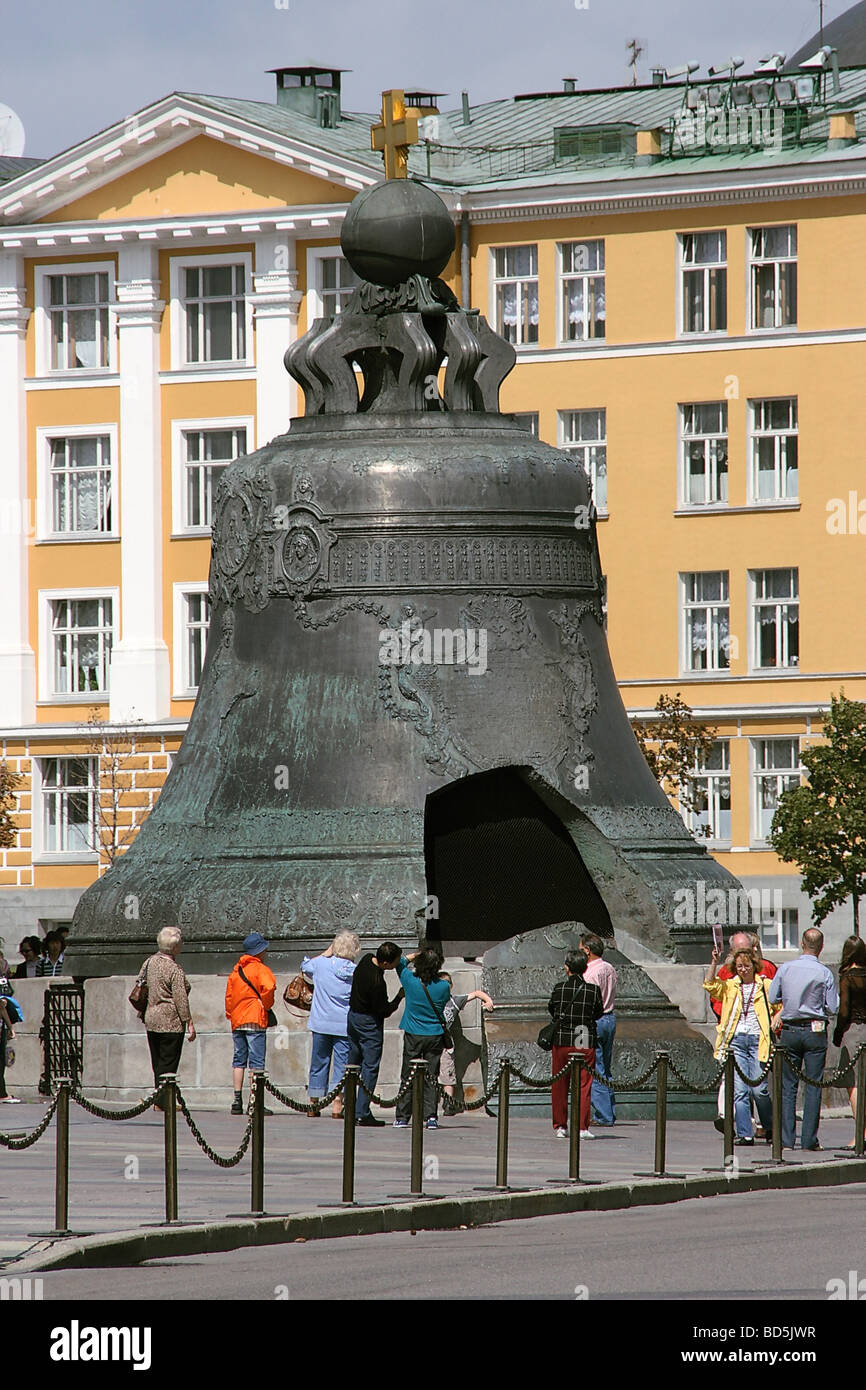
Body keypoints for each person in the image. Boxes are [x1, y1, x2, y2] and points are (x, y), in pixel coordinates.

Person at [769, 927, 839, 1152]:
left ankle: (787, 1140)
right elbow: (832, 1006)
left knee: (788, 1086)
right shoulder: (824, 973)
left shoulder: (786, 968)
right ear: (822, 946)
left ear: (801, 943)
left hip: (789, 1030)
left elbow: (773, 997)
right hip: (815, 1030)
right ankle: (809, 1139)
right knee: (813, 1085)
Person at [704, 944, 779, 1145]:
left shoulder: (766, 985)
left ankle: (770, 1126)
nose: (743, 969)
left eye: (746, 966)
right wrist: (714, 961)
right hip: (736, 1041)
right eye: (739, 966)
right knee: (740, 1091)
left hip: (758, 1041)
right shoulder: (731, 986)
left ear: (753, 966)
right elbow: (710, 985)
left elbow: (782, 1004)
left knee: (759, 1090)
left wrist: (777, 1016)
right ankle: (745, 1133)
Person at [301, 932, 359, 1119]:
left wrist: (325, 953)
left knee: (318, 1062)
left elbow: (305, 967)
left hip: (320, 1023)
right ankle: (337, 1104)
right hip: (343, 1024)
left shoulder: (320, 965)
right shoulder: (353, 970)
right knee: (341, 1065)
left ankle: (313, 1103)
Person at [393, 945, 451, 1130]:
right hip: (434, 1033)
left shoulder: (410, 980)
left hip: (413, 1032)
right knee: (431, 1076)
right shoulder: (443, 986)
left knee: (407, 1075)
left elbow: (400, 962)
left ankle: (402, 1117)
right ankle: (431, 1116)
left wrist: (415, 955)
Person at [346, 941, 404, 1128]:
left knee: (352, 1064)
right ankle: (362, 1112)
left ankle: (350, 1106)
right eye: (396, 962)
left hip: (353, 1018)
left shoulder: (365, 960)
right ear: (386, 964)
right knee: (369, 1068)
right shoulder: (377, 984)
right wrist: (399, 997)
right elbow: (384, 1010)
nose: (397, 965)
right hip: (369, 1024)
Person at [547, 949, 603, 1139]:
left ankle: (560, 1125)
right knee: (584, 1085)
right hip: (584, 1037)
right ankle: (582, 1127)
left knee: (560, 1084)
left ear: (567, 967)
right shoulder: (593, 990)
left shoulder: (559, 988)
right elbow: (598, 1013)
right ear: (585, 968)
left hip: (562, 1039)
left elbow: (552, 1009)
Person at [138, 927, 195, 1110]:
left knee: (157, 1061)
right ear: (175, 947)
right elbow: (180, 998)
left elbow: (140, 982)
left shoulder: (149, 962)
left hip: (151, 1018)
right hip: (170, 1021)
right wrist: (189, 1022)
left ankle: (159, 1098)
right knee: (169, 1063)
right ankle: (164, 1101)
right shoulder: (174, 969)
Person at [225, 932, 276, 1116]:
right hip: (255, 1018)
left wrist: (231, 1015)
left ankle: (236, 1101)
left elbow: (229, 997)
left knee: (238, 1060)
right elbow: (269, 987)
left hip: (238, 1020)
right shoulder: (262, 970)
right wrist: (267, 1004)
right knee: (256, 1063)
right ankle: (255, 1102)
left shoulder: (236, 971)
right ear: (260, 951)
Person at [437, 973, 494, 1116]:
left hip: (445, 1043)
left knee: (448, 1074)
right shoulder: (433, 998)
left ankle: (449, 1102)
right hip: (430, 1040)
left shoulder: (455, 1001)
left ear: (450, 986)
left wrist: (488, 1001)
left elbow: (476, 993)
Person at [579, 932, 618, 1126]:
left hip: (595, 1020)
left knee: (594, 1069)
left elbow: (589, 1001)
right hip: (610, 1018)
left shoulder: (590, 973)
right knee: (606, 1068)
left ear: (587, 950)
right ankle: (609, 1110)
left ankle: (604, 1115)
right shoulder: (609, 968)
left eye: (581, 950)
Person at [832, 934, 866, 1149]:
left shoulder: (847, 977)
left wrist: (837, 1033)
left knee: (853, 1084)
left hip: (854, 1029)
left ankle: (861, 1132)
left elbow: (844, 1011)